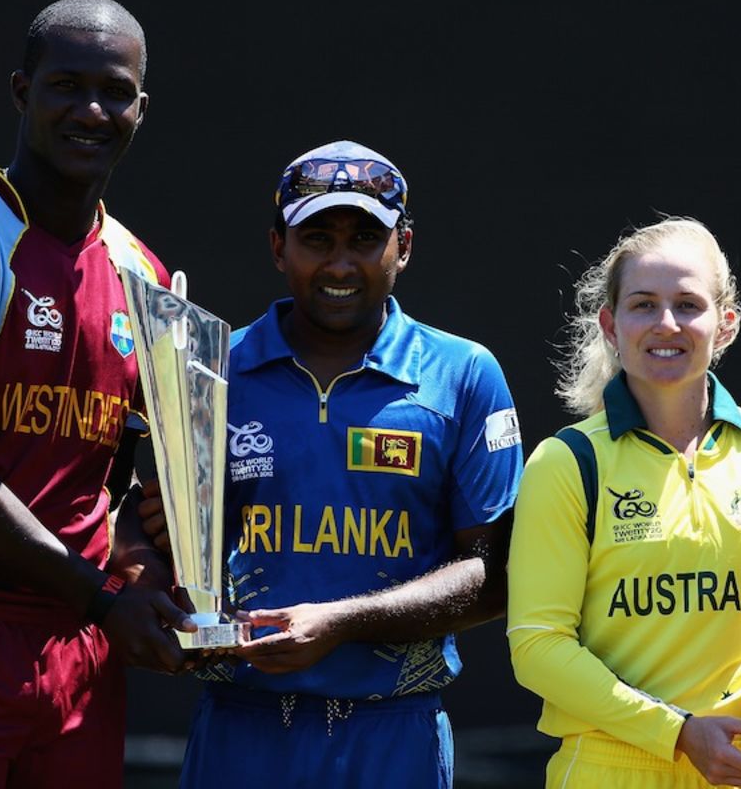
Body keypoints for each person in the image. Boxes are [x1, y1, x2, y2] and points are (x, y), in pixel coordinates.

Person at [0, 0, 194, 787]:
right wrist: (101, 596)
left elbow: (113, 480)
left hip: (80, 649)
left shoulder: (143, 273)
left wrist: (149, 560)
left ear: (143, 109)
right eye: (66, 86)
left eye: (115, 92)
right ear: (22, 92)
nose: (92, 110)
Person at [165, 140, 523, 788]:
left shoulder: (463, 375)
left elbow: (497, 573)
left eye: (364, 237)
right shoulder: (207, 369)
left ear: (403, 246)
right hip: (239, 726)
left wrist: (342, 623)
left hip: (392, 733)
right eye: (316, 237)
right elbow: (163, 545)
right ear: (278, 247)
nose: (340, 262)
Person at [507, 217, 741, 788]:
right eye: (644, 305)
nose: (667, 324)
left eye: (688, 304)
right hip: (613, 768)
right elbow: (536, 647)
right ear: (611, 326)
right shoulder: (567, 462)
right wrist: (678, 732)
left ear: (726, 324)